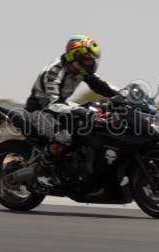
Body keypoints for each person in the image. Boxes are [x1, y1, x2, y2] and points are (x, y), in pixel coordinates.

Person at [25, 35, 118, 189]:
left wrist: (125, 95)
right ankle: (43, 171)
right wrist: (79, 111)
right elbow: (52, 104)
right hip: (41, 108)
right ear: (75, 56)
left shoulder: (80, 68)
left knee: (95, 117)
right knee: (64, 138)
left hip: (61, 104)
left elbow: (101, 86)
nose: (91, 63)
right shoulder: (54, 72)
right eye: (87, 59)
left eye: (93, 59)